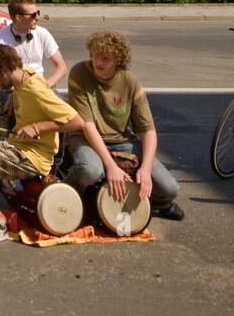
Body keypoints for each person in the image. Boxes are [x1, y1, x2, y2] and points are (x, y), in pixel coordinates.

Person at [0, 44, 127, 245]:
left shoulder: (36, 89)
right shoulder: (23, 77)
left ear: (2, 69)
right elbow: (24, 78)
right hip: (17, 147)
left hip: (33, 158)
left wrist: (38, 127)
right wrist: (13, 95)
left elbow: (77, 121)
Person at [65, 31, 184, 220]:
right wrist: (111, 166)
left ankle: (155, 203)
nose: (99, 62)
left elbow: (148, 130)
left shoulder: (130, 81)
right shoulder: (79, 73)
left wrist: (145, 169)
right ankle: (70, 192)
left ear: (118, 60)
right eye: (96, 56)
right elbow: (87, 126)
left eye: (106, 58)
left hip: (120, 140)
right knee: (91, 171)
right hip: (85, 138)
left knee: (170, 188)